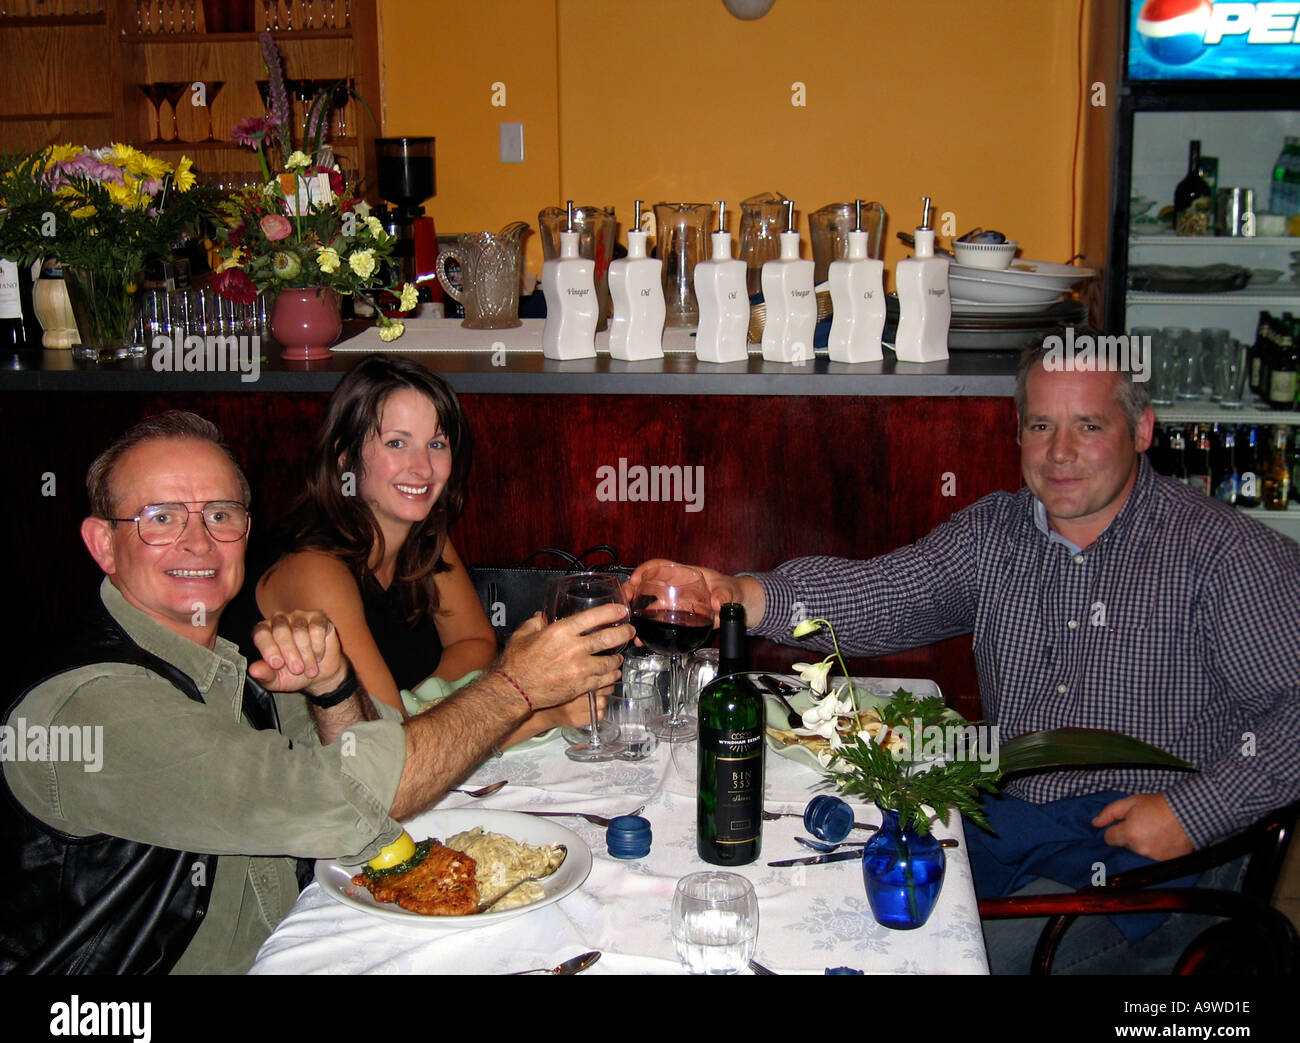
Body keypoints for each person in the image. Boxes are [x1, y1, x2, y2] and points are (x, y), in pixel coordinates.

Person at [632, 329, 1300, 973]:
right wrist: (740, 594)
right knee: (830, 900)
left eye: (1089, 426)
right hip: (1008, 821)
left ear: (1143, 430)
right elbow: (887, 593)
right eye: (1040, 426)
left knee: (933, 960)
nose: (1060, 452)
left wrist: (1194, 812)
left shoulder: (1224, 555)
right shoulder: (998, 532)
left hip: (1152, 867)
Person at [0, 411, 628, 974]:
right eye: (160, 519)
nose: (198, 541)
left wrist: (331, 692)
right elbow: (354, 801)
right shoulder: (95, 707)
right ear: (103, 543)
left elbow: (365, 783)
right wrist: (516, 689)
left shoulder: (226, 664)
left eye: (220, 514)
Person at [221, 356, 592, 745]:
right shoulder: (314, 569)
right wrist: (534, 715)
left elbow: (475, 644)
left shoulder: (426, 535)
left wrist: (423, 709)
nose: (423, 468)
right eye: (396, 443)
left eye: (436, 444)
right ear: (345, 457)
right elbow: (387, 749)